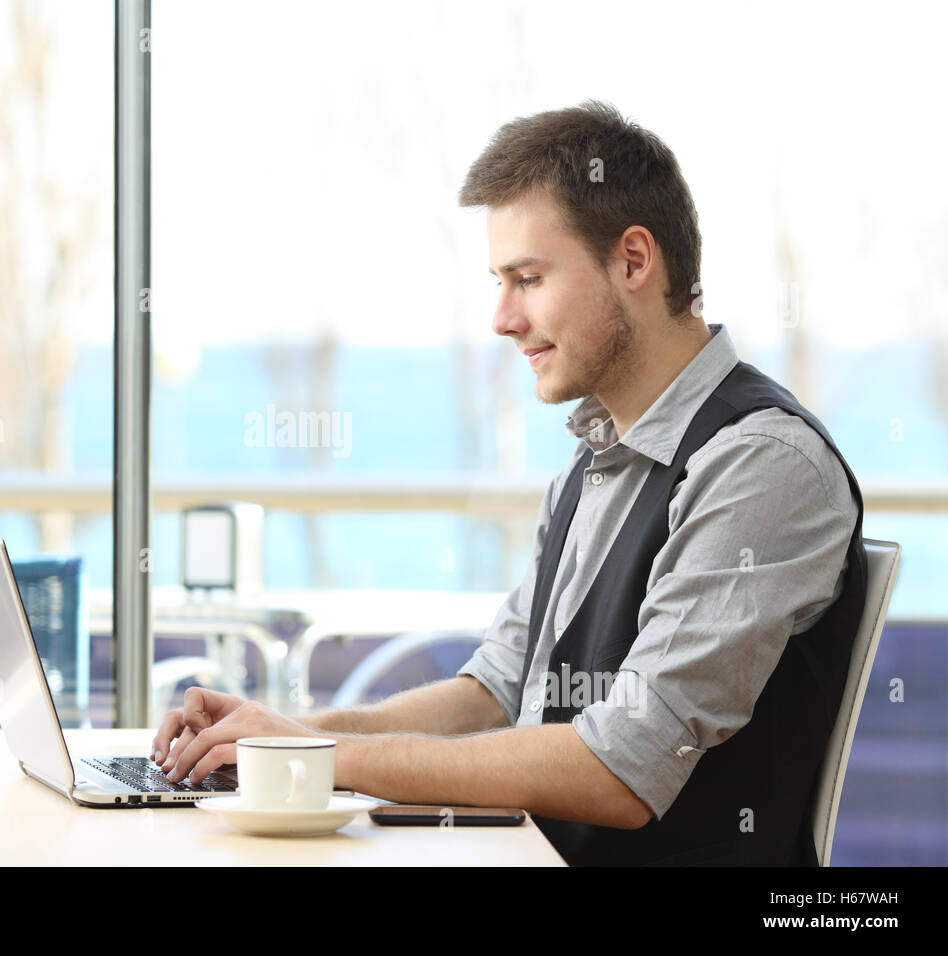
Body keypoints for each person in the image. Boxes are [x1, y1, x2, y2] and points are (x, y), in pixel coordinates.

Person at [149, 101, 866, 866]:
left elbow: (622, 765)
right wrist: (279, 735)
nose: (500, 317)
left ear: (632, 261)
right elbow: (492, 693)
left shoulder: (758, 465)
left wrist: (321, 759)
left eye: (527, 279)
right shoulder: (594, 466)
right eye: (499, 281)